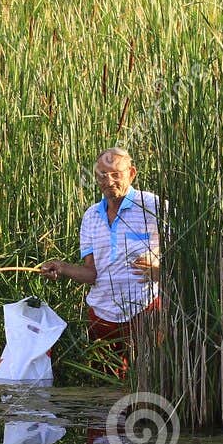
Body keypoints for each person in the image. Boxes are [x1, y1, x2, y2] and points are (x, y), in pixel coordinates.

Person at [39, 147, 166, 379]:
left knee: (147, 379)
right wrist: (62, 267)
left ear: (132, 173)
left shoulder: (153, 206)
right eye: (101, 175)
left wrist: (159, 264)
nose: (108, 180)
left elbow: (184, 249)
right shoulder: (91, 216)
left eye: (116, 174)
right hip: (102, 317)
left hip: (144, 312)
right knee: (106, 385)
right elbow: (92, 273)